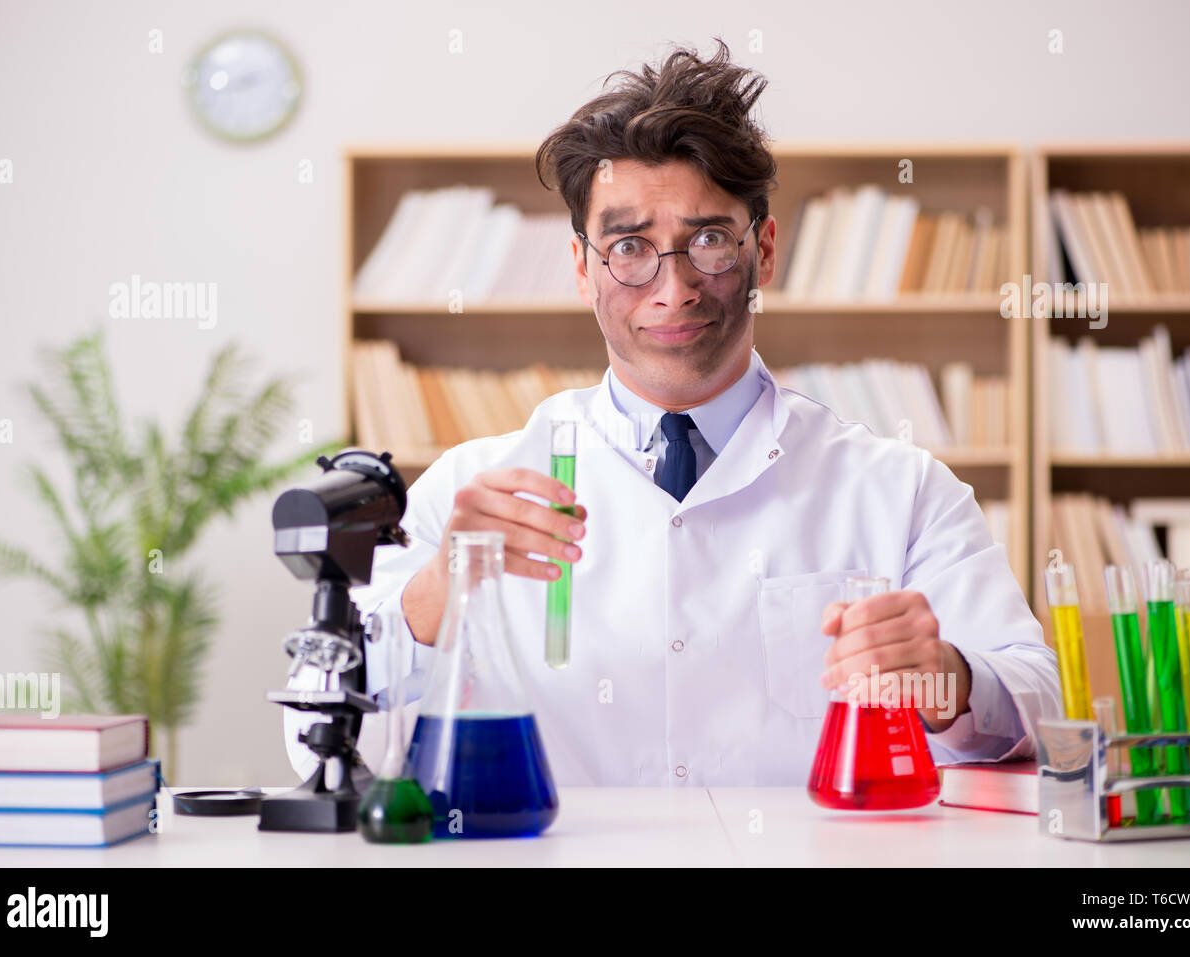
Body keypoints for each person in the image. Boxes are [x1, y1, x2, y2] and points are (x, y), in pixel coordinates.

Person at [287, 38, 1061, 786]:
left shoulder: (900, 488)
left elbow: (1040, 702)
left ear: (765, 250)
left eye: (710, 241)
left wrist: (949, 681)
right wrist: (433, 597)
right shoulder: (474, 491)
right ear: (582, 269)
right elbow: (308, 740)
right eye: (629, 247)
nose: (673, 288)